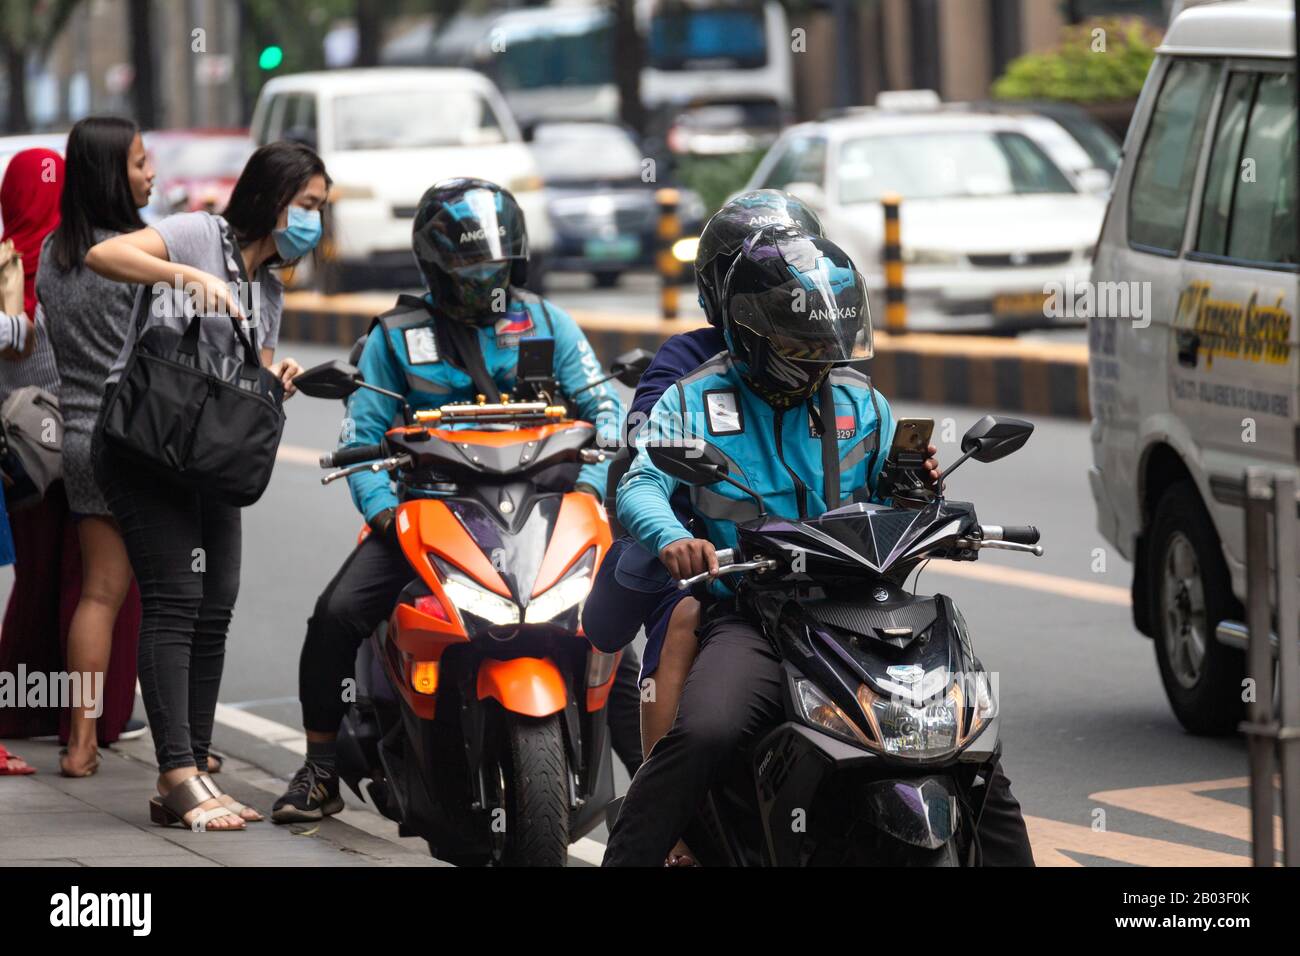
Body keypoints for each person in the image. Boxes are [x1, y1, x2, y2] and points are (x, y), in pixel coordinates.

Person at [602, 223, 1034, 866]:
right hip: (757, 612)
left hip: (871, 611)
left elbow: (896, 498)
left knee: (970, 747)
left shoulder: (862, 403)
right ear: (750, 331)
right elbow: (640, 484)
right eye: (797, 339)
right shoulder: (694, 399)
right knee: (706, 730)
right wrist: (673, 539)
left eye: (825, 340)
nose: (817, 354)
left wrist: (920, 491)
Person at [272, 177, 638, 823]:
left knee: (612, 634)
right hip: (432, 511)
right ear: (437, 266)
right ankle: (321, 768)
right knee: (336, 616)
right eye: (468, 265)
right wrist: (385, 513)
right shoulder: (394, 337)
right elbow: (360, 434)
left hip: (547, 508)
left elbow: (602, 404)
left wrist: (594, 477)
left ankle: (660, 789)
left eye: (493, 265)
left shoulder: (546, 319)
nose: (482, 278)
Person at [84, 140, 323, 831]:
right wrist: (188, 279)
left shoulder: (270, 290)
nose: (313, 222)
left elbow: (246, 380)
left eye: (320, 211)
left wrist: (271, 384)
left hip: (210, 458)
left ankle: (191, 766)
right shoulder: (198, 234)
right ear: (272, 197)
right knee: (175, 597)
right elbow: (105, 258)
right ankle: (176, 772)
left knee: (216, 600)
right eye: (307, 205)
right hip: (143, 445)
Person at [581, 188, 823, 864]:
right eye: (770, 282)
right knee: (683, 621)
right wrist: (675, 536)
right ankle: (673, 830)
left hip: (814, 571)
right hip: (706, 551)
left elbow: (865, 460)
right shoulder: (692, 371)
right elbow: (651, 457)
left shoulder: (824, 366)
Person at [0, 141, 144, 761]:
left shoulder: (23, 264)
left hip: (25, 455)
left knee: (38, 585)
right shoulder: (84, 259)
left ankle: (21, 706)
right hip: (89, 440)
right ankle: (93, 722)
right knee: (99, 587)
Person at [40, 119, 159, 777]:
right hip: (139, 441)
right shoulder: (134, 255)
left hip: (81, 439)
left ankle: (80, 742)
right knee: (174, 602)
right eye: (141, 163)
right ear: (114, 174)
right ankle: (183, 752)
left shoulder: (56, 255)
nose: (152, 175)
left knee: (97, 596)